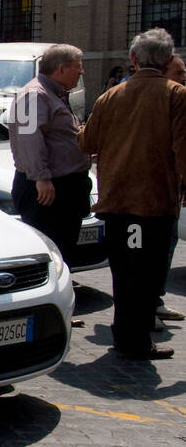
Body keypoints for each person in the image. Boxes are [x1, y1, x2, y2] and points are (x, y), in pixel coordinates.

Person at [78, 29, 186, 360]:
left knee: (124, 271)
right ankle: (135, 340)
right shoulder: (176, 94)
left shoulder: (111, 96)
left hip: (118, 201)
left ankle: (125, 334)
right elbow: (184, 150)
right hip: (153, 203)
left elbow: (87, 143)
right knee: (148, 274)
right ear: (168, 60)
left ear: (133, 59)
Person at [6, 44, 92, 277]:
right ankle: (45, 311)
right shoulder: (34, 94)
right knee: (49, 254)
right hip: (48, 190)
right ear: (61, 69)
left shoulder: (55, 94)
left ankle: (60, 309)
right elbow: (29, 140)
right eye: (78, 67)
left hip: (64, 187)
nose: (81, 72)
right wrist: (41, 178)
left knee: (62, 254)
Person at [154, 53, 186, 324]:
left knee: (167, 246)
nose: (183, 78)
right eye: (178, 73)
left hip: (170, 192)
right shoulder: (168, 100)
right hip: (152, 194)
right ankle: (145, 308)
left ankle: (155, 301)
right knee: (149, 254)